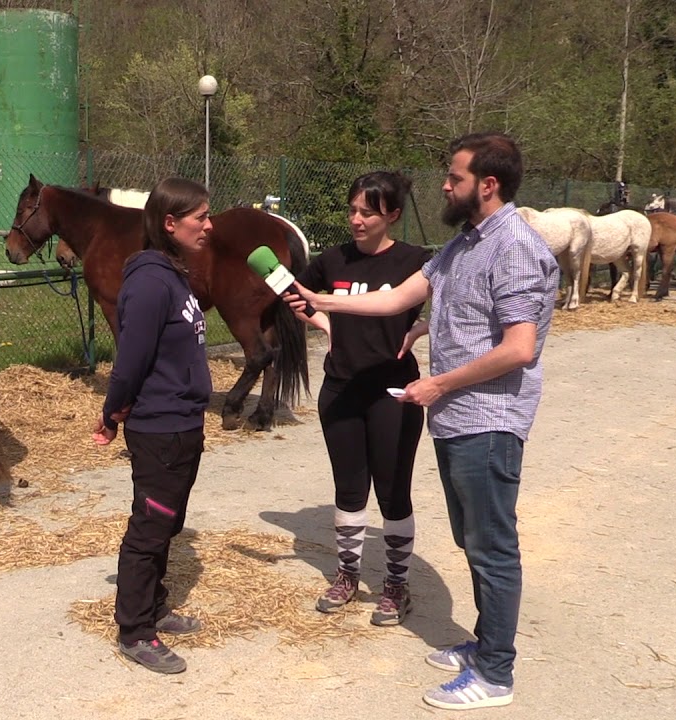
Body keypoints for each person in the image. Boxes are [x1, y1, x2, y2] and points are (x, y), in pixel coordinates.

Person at [287, 132, 560, 710]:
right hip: (457, 417)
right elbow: (393, 299)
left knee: (491, 547)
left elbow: (519, 347)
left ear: (487, 185)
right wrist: (324, 301)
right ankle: (484, 644)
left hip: (487, 418)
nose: (444, 184)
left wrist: (438, 381)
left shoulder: (512, 246)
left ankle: (494, 674)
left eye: (454, 177)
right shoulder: (463, 246)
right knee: (472, 538)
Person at [293, 171, 431, 627]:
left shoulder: (415, 261)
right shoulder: (332, 261)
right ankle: (347, 575)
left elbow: (459, 306)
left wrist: (421, 328)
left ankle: (395, 585)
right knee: (349, 488)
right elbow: (298, 296)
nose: (356, 219)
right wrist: (323, 323)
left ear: (392, 215)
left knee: (393, 492)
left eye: (367, 212)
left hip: (393, 391)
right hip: (342, 388)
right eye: (352, 210)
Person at [92, 177, 213, 675]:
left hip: (183, 421)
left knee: (169, 522)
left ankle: (156, 606)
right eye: (199, 217)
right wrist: (111, 411)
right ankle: (135, 630)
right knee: (149, 527)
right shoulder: (147, 280)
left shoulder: (174, 274)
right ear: (169, 223)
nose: (209, 225)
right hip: (159, 427)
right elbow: (130, 359)